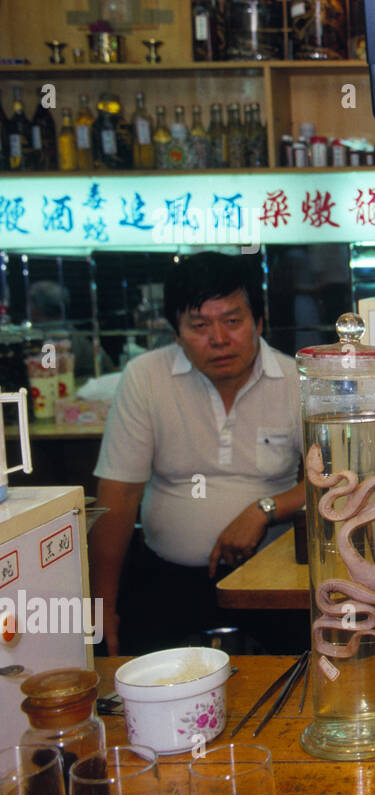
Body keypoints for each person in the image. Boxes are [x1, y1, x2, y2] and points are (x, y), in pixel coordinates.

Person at [89, 253, 305, 655]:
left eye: (233, 321)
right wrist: (101, 605)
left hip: (270, 580)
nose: (219, 339)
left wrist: (265, 509)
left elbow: (336, 481)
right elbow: (117, 497)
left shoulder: (295, 380)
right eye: (199, 326)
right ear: (176, 333)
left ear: (258, 322)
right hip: (166, 581)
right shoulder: (146, 378)